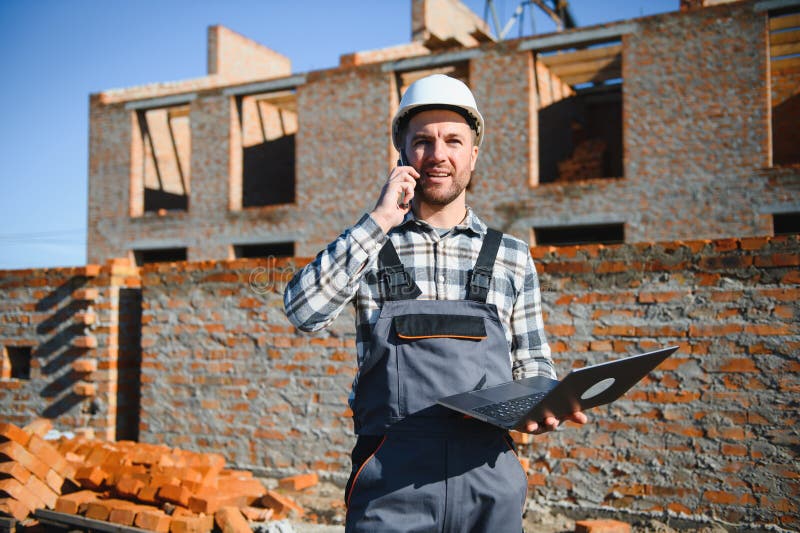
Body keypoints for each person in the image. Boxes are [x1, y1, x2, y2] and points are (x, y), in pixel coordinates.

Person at [283, 74, 587, 532]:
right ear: (402, 154)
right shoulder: (370, 245)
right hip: (390, 484)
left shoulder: (511, 255)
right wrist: (383, 217)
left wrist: (542, 404)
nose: (438, 154)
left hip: (488, 481)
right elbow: (302, 312)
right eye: (422, 141)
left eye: (453, 140)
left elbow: (533, 362)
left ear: (473, 153)